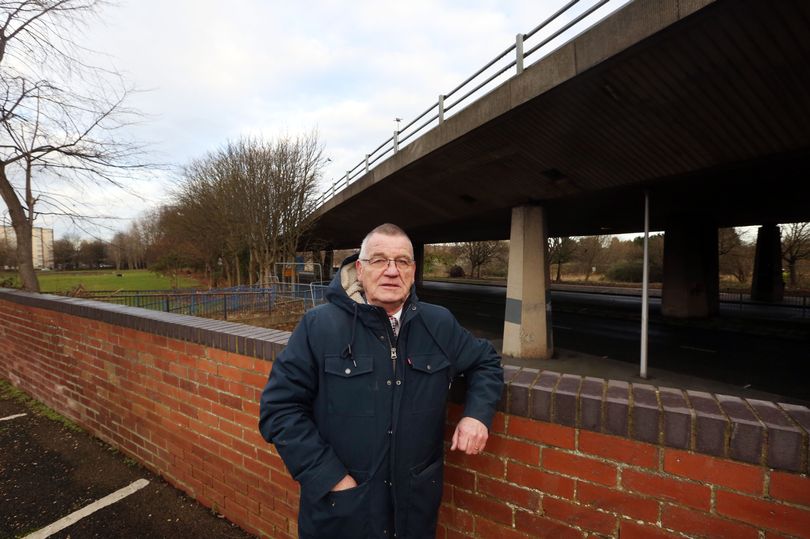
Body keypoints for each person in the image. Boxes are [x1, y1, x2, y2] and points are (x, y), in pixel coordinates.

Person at [258, 223, 503, 539]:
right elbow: (279, 409)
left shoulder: (438, 324)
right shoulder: (319, 326)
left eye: (402, 261)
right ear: (359, 269)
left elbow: (486, 361)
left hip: (413, 512)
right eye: (379, 260)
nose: (391, 271)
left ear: (413, 271)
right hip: (342, 510)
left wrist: (476, 415)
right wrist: (331, 478)